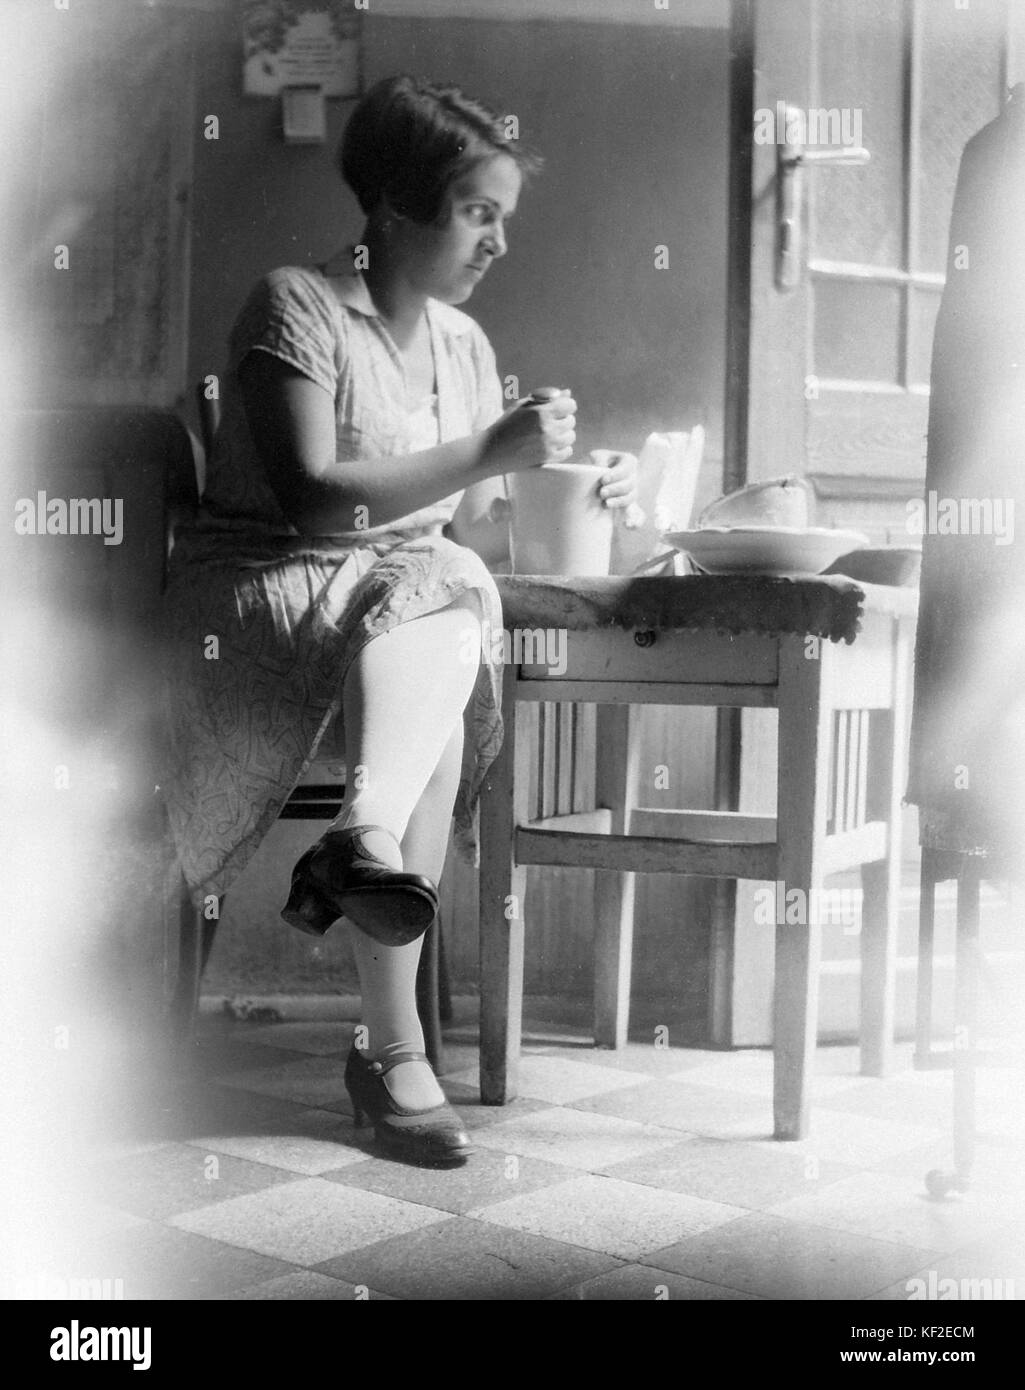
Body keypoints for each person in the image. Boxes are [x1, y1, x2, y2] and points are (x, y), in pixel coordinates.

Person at [163, 75, 639, 1166]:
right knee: (440, 602)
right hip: (266, 590)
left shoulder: (466, 348)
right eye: (478, 212)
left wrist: (576, 489)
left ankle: (362, 846)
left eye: (502, 217)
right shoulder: (294, 303)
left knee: (447, 591)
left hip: (396, 613)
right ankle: (390, 1044)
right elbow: (314, 497)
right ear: (390, 206)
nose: (498, 243)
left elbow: (473, 526)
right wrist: (486, 453)